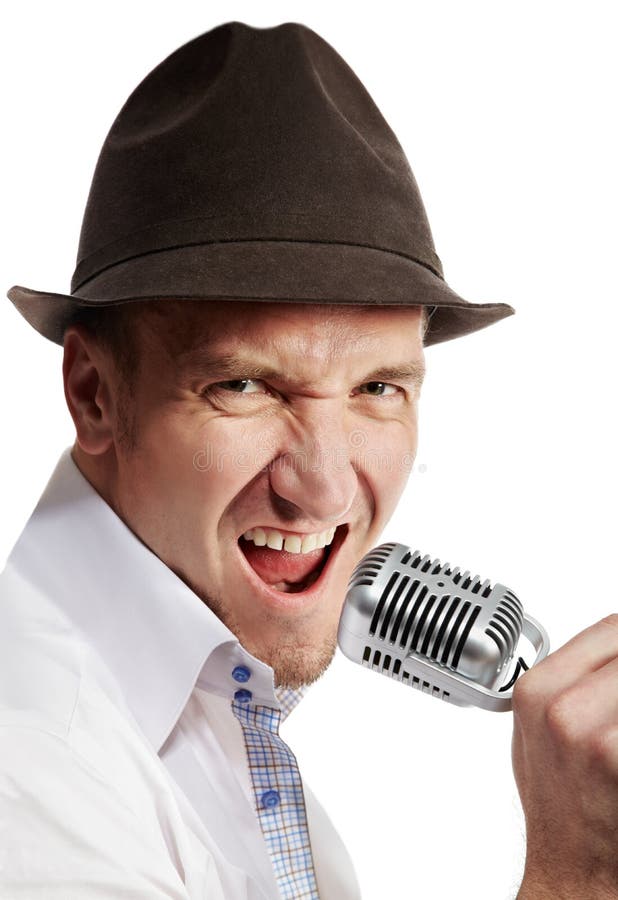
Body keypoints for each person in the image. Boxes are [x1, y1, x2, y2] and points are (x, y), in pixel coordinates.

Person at [1, 20, 616, 900]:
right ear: (95, 394)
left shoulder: (217, 731)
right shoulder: (33, 768)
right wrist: (581, 876)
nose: (324, 489)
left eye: (378, 389)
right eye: (247, 386)